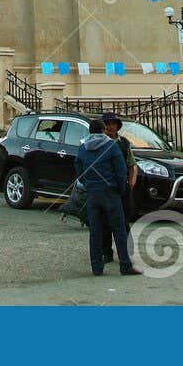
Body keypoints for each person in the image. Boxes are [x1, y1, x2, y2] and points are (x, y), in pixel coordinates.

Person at [75, 119, 139, 276]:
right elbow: (121, 170)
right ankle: (125, 265)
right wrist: (120, 188)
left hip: (93, 194)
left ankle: (97, 267)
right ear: (103, 130)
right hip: (110, 192)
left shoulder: (83, 148)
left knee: (95, 231)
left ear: (89, 131)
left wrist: (89, 184)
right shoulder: (111, 146)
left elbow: (79, 170)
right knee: (119, 230)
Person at [99, 111, 137, 263]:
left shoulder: (123, 143)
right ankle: (106, 252)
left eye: (113, 123)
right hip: (104, 187)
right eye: (107, 124)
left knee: (122, 222)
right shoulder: (99, 142)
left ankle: (128, 252)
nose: (110, 127)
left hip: (120, 187)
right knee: (104, 222)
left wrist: (130, 183)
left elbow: (132, 164)